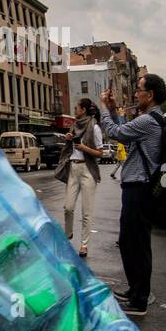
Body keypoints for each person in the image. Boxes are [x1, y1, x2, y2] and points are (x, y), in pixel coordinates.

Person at [100, 74, 166, 317]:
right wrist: (111, 109)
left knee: (135, 243)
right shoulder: (150, 119)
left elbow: (115, 133)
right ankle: (135, 290)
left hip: (139, 188)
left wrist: (104, 110)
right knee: (132, 241)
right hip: (138, 187)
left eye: (139, 90)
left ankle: (139, 299)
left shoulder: (149, 120)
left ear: (149, 95)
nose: (135, 94)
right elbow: (125, 133)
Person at [61, 98, 103, 258]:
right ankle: (68, 233)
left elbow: (100, 153)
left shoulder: (95, 127)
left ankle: (84, 245)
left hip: (88, 169)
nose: (75, 109)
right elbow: (69, 149)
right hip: (73, 167)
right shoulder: (73, 126)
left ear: (83, 110)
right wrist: (68, 139)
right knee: (68, 207)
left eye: (76, 107)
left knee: (87, 211)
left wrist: (84, 148)